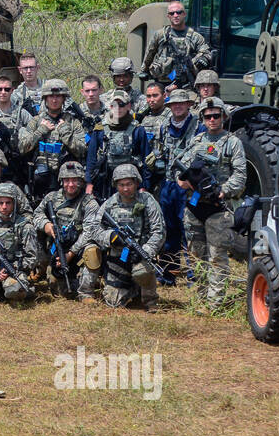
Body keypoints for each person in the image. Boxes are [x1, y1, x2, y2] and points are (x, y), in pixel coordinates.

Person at [175, 97, 247, 306]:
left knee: (217, 256)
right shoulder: (197, 142)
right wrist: (188, 183)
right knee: (196, 254)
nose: (212, 119)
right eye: (208, 116)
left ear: (224, 117)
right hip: (195, 206)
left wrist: (223, 191)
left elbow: (240, 175)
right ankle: (200, 297)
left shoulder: (233, 143)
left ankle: (215, 302)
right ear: (203, 119)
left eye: (216, 115)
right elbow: (180, 172)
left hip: (218, 208)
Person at [84, 163, 164, 308]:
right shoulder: (110, 203)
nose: (126, 188)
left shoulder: (147, 200)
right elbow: (94, 229)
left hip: (140, 255)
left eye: (129, 184)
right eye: (121, 185)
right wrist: (111, 236)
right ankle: (131, 289)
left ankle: (150, 300)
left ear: (136, 182)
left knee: (141, 272)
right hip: (118, 258)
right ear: (116, 185)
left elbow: (159, 231)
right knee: (113, 302)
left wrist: (145, 251)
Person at [150, 88, 200, 282]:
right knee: (168, 229)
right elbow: (158, 153)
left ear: (188, 105)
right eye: (174, 104)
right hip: (168, 185)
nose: (177, 107)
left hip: (188, 187)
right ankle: (168, 273)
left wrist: (190, 181)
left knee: (190, 230)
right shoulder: (163, 126)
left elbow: (203, 155)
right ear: (169, 106)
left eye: (181, 103)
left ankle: (193, 275)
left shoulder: (198, 126)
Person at [33, 161, 100, 298]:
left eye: (75, 180)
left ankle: (86, 293)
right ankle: (40, 269)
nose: (70, 184)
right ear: (61, 181)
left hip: (79, 249)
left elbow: (89, 232)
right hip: (57, 248)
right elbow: (36, 214)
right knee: (59, 289)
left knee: (92, 251)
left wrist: (71, 253)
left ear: (81, 181)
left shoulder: (89, 202)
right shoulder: (51, 197)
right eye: (67, 180)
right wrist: (46, 225)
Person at [23, 79, 88, 202]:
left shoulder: (73, 122)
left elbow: (81, 150)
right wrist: (40, 131)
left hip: (68, 182)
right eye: (50, 96)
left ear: (64, 99)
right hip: (41, 182)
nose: (54, 100)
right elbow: (22, 148)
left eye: (58, 96)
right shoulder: (36, 121)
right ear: (45, 99)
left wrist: (64, 131)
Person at [85, 90, 152, 201]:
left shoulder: (137, 130)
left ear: (129, 106)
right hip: (106, 182)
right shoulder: (100, 129)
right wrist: (89, 183)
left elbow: (146, 160)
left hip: (131, 183)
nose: (117, 108)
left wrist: (144, 186)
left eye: (121, 105)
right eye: (114, 105)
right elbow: (91, 158)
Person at [141, 0, 212, 91]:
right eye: (172, 13)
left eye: (179, 12)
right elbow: (149, 54)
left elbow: (206, 52)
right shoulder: (160, 35)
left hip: (185, 84)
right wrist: (144, 71)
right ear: (168, 16)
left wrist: (201, 59)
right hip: (163, 81)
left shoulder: (195, 37)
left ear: (184, 14)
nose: (175, 15)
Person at [0, 72, 35, 188]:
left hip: (17, 165)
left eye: (7, 89)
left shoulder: (21, 114)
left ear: (12, 90)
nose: (3, 92)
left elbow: (34, 132)